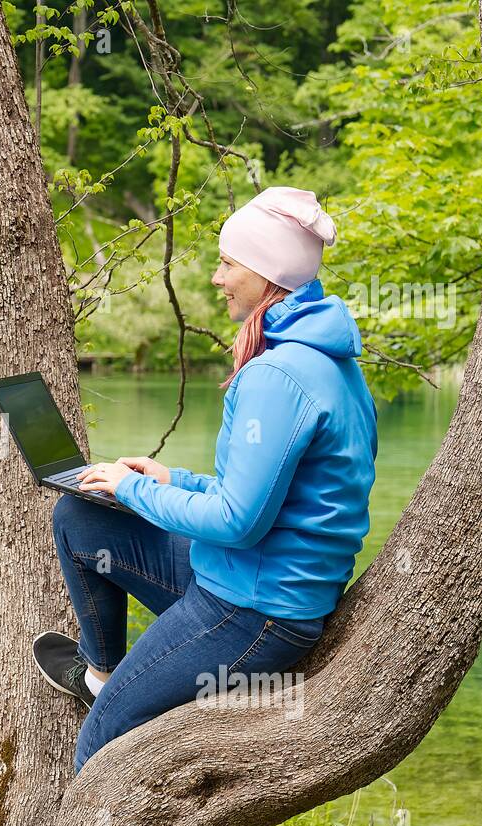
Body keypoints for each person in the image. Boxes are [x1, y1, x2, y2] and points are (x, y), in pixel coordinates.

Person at [35, 186, 378, 774]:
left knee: (100, 742)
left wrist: (134, 488)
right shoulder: (330, 363)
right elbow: (263, 495)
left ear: (268, 273)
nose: (217, 278)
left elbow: (238, 523)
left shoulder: (278, 375)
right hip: (247, 584)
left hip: (254, 612)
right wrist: (174, 480)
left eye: (227, 264)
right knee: (83, 516)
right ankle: (101, 674)